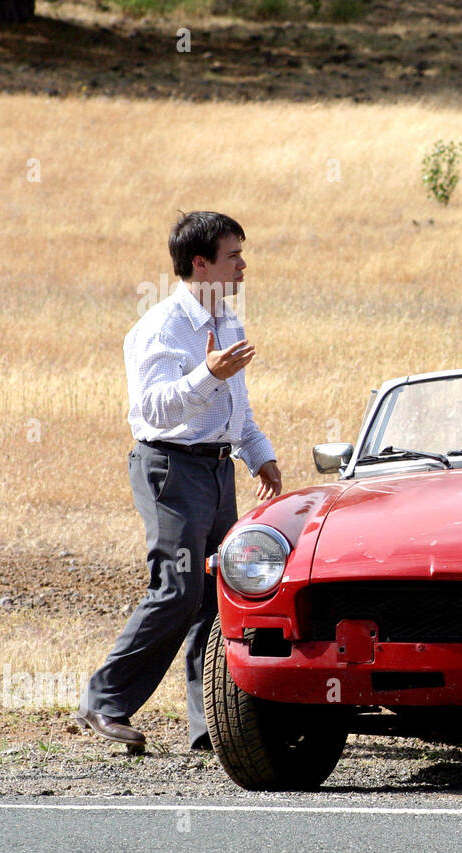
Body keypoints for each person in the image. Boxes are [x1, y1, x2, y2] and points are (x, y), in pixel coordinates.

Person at [76, 211, 282, 751]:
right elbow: (153, 410)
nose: (243, 264)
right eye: (233, 254)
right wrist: (206, 373)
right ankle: (105, 702)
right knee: (177, 589)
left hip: (216, 469)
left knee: (217, 594)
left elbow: (237, 405)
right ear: (200, 263)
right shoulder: (159, 328)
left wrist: (258, 454)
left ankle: (210, 724)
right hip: (170, 468)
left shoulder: (229, 321)